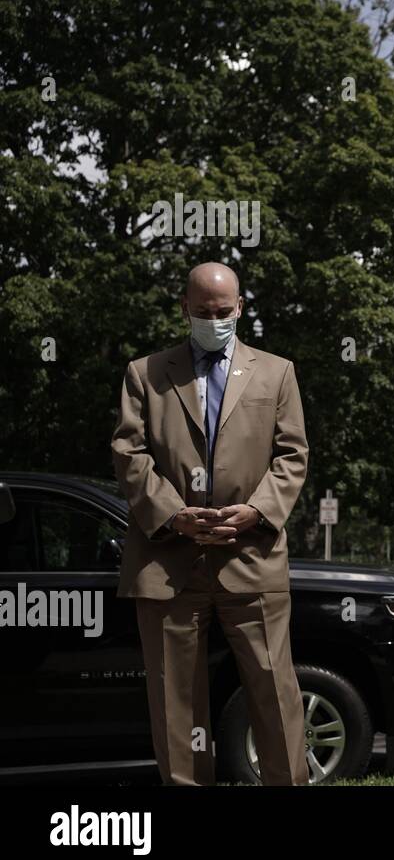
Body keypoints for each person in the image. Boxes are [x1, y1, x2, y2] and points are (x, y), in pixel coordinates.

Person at [111, 262, 310, 786]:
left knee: (275, 692)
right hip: (167, 563)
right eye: (203, 312)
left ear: (241, 307)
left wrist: (257, 511)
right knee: (176, 705)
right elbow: (129, 456)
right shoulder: (144, 373)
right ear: (184, 309)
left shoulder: (277, 372)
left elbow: (293, 456)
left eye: (224, 311)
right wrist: (174, 516)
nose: (215, 320)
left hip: (253, 558)